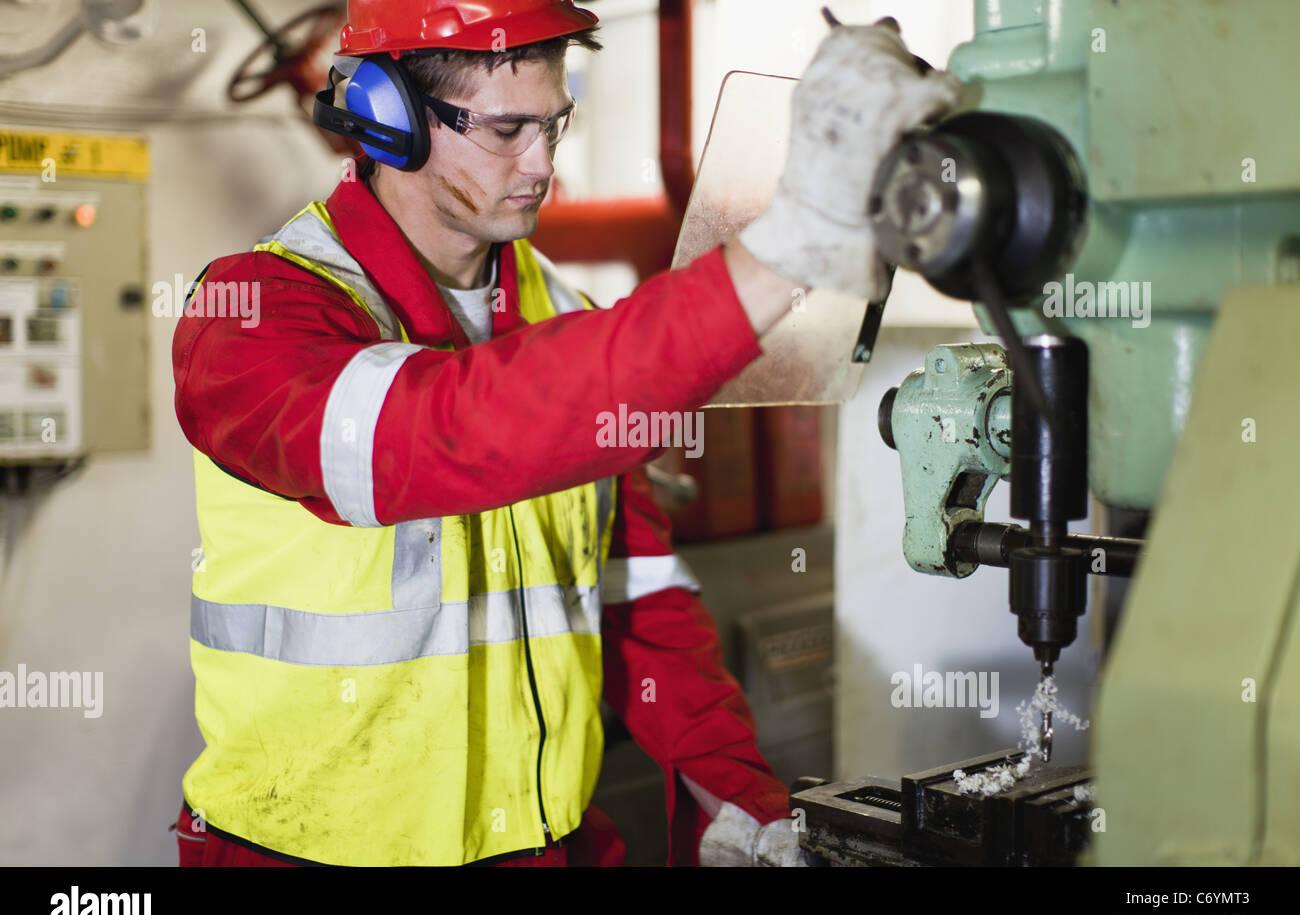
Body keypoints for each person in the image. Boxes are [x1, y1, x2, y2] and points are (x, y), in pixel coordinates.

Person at [170, 0, 961, 866]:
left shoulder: (562, 313)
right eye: (508, 129)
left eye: (556, 123)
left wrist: (740, 795)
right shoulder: (252, 320)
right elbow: (448, 429)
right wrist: (784, 251)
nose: (543, 163)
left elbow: (639, 598)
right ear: (386, 117)